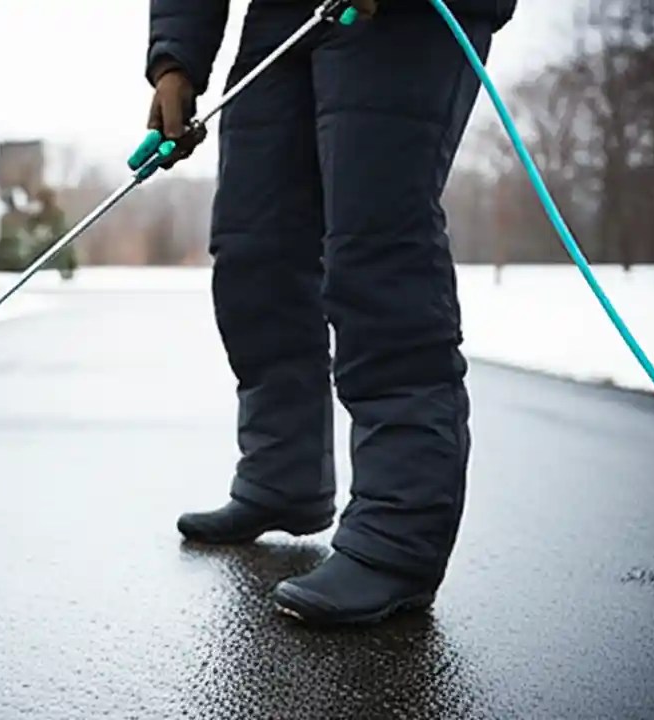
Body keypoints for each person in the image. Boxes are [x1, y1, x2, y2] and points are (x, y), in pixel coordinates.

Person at [145, 0, 515, 625]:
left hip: (408, 18)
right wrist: (174, 57)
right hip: (282, 16)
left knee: (374, 246)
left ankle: (397, 538)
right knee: (254, 250)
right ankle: (281, 477)